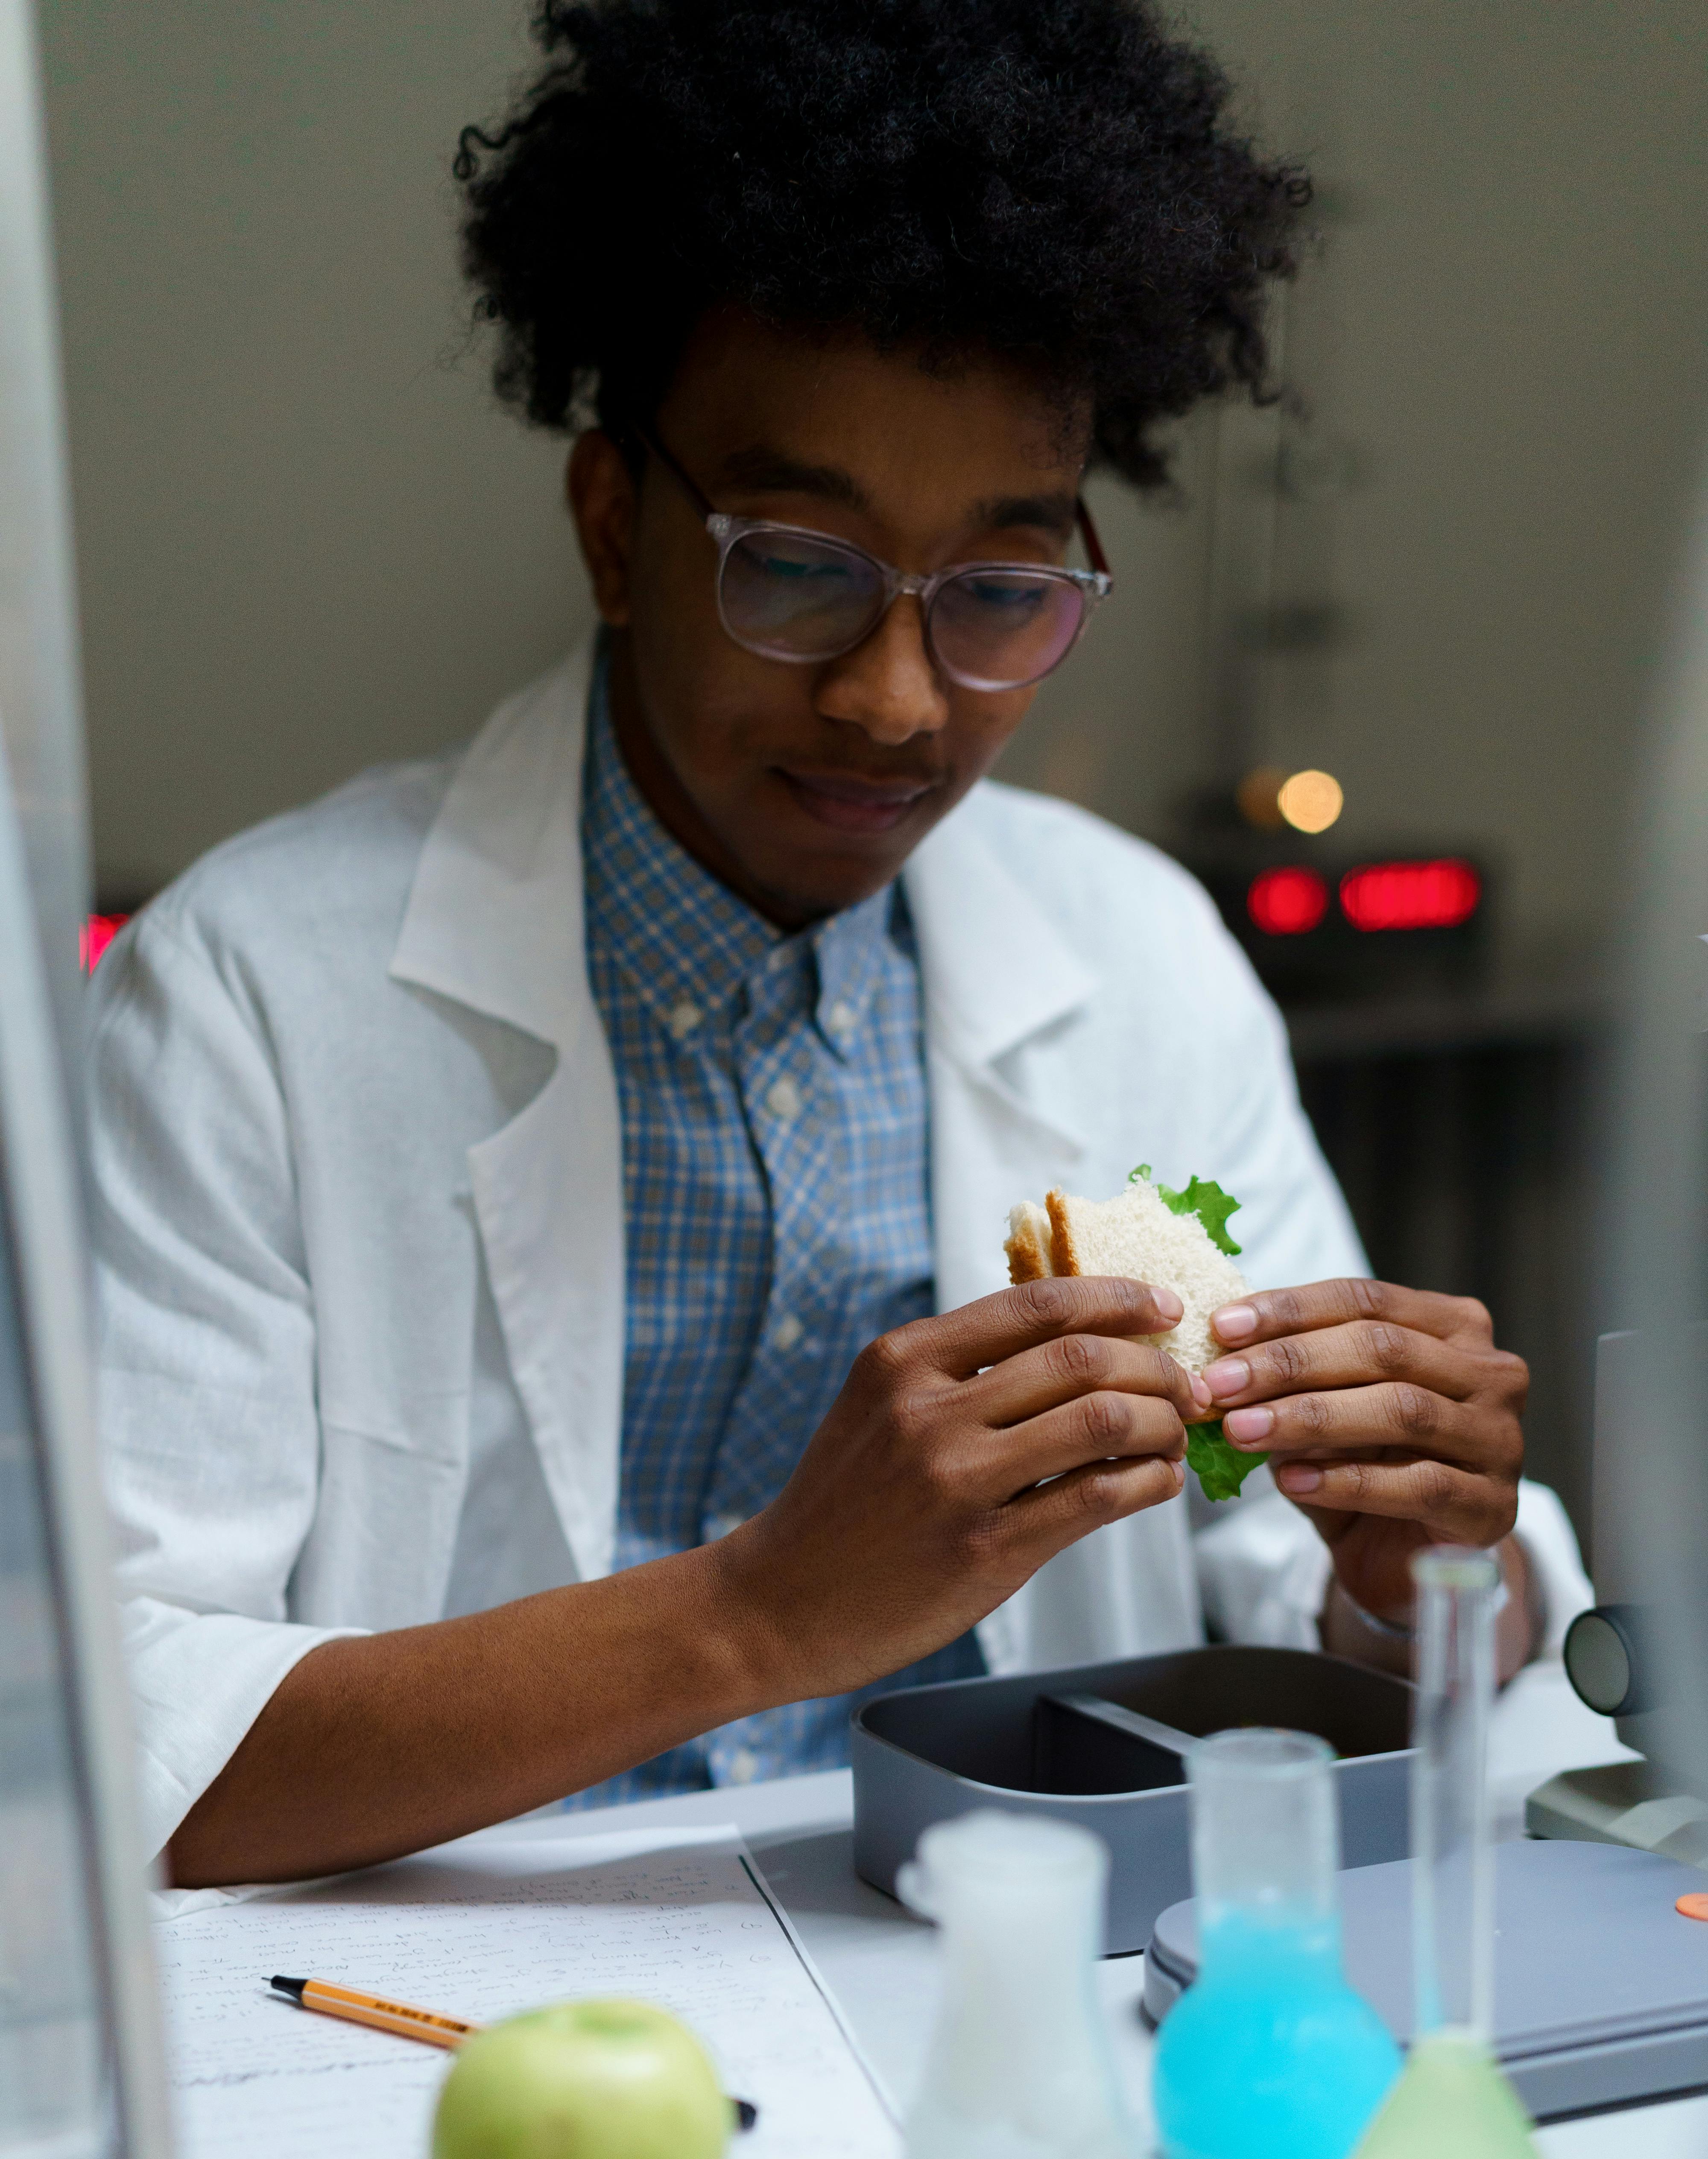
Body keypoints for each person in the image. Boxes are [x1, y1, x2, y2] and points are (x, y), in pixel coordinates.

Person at [90, 0, 1587, 1889]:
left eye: (999, 593)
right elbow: (113, 1729)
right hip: (431, 2021)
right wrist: (763, 1614)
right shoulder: (241, 993)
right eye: (794, 564)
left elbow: (1307, 1611)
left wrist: (1429, 1573)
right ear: (616, 525)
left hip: (993, 1980)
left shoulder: (1135, 957)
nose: (896, 701)